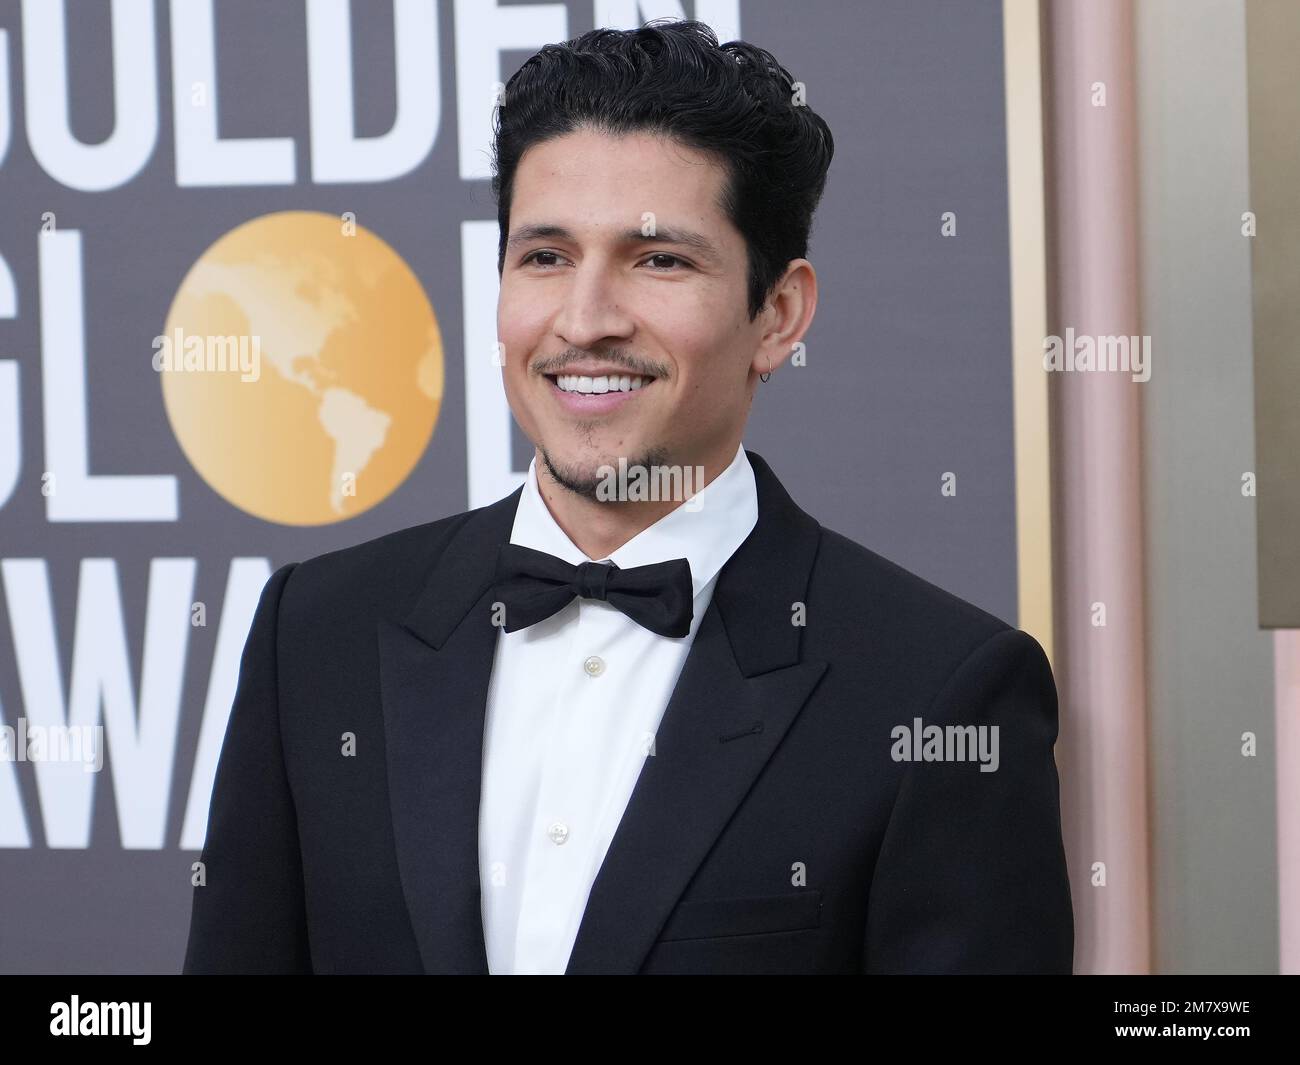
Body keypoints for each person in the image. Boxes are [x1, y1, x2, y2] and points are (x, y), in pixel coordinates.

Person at [183, 19, 1073, 975]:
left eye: (659, 261)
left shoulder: (939, 690)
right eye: (546, 257)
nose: (585, 320)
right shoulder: (315, 634)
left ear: (778, 315)